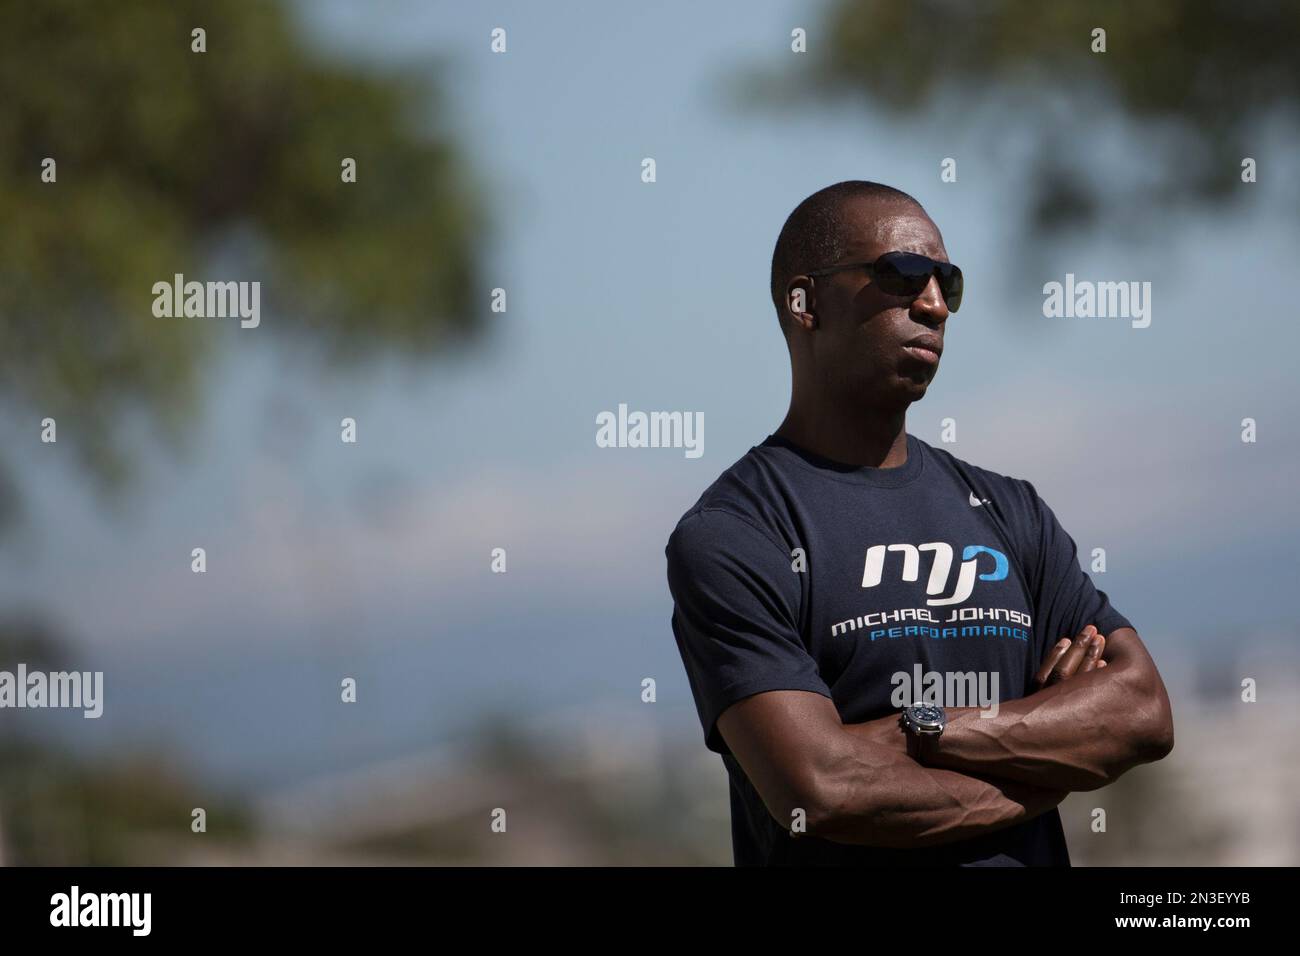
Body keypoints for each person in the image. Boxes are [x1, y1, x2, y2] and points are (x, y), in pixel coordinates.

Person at [665, 181, 1174, 866]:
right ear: (803, 303)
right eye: (901, 275)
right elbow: (821, 790)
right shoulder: (736, 534)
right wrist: (1045, 763)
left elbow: (1141, 712)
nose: (933, 304)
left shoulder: (1009, 510)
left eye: (948, 283)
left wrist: (925, 730)